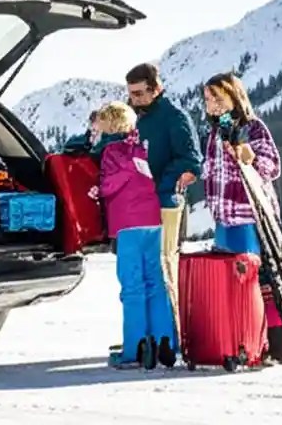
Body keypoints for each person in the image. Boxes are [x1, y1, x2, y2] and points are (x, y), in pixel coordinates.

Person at [200, 71, 282, 365]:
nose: (212, 104)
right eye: (207, 99)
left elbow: (272, 165)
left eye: (218, 97)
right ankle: (241, 337)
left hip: (249, 217)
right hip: (224, 219)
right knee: (232, 283)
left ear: (234, 96)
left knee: (258, 280)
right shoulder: (216, 133)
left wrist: (250, 156)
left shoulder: (252, 127)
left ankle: (276, 342)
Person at [124, 63, 201, 359]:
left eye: (141, 93)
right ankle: (149, 337)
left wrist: (159, 186)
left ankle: (175, 337)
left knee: (164, 266)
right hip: (138, 208)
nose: (135, 99)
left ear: (157, 89)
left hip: (166, 203)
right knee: (143, 270)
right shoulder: (137, 119)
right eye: (131, 94)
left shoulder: (174, 117)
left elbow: (190, 161)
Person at [90, 101, 175, 370]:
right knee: (155, 281)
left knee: (133, 285)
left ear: (110, 125)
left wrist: (97, 190)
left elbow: (110, 183)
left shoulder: (111, 152)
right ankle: (164, 342)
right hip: (152, 219)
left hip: (127, 223)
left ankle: (135, 348)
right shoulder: (141, 147)